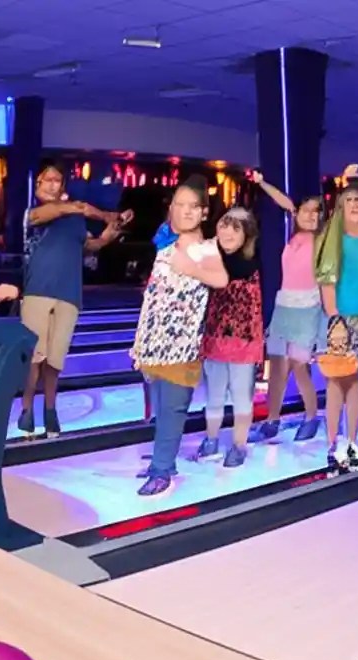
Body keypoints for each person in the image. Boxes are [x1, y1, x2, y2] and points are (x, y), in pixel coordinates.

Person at [131, 176, 229, 496]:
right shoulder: (166, 244)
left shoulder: (205, 248)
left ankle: (161, 471)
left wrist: (192, 268)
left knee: (173, 408)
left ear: (204, 212)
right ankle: (165, 461)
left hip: (182, 344)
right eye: (180, 205)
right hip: (153, 339)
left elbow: (220, 279)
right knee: (161, 407)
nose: (186, 211)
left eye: (193, 206)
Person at [18, 161, 131, 438]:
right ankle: (27, 409)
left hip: (69, 293)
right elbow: (70, 208)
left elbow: (87, 246)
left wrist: (106, 237)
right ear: (38, 185)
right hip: (38, 291)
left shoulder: (74, 218)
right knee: (34, 358)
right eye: (47, 180)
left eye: (57, 181)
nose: (51, 185)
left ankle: (50, 411)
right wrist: (107, 214)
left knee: (55, 360)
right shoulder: (34, 213)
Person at [249, 171, 326, 443]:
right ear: (297, 213)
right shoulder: (294, 236)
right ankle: (272, 420)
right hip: (284, 306)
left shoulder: (322, 239)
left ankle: (311, 417)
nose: (311, 216)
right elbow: (283, 201)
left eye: (316, 212)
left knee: (300, 367)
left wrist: (348, 181)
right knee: (278, 368)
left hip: (307, 309)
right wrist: (261, 183)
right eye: (306, 211)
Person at [315, 164, 358, 470]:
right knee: (336, 382)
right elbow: (326, 281)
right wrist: (333, 319)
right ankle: (332, 443)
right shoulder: (334, 237)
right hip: (341, 319)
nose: (354, 205)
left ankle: (351, 440)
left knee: (354, 381)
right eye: (348, 201)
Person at [192, 208, 263, 467]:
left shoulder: (255, 260)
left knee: (242, 396)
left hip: (244, 341)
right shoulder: (211, 258)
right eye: (224, 225)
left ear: (247, 234)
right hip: (215, 337)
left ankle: (239, 445)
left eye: (235, 228)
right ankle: (211, 439)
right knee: (214, 395)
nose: (228, 232)